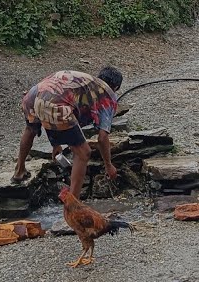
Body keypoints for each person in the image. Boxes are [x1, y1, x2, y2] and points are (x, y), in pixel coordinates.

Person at [13, 67, 123, 197]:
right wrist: (108, 165)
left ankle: (19, 170)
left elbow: (51, 104)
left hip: (33, 95)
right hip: (54, 104)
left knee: (30, 130)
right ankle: (72, 204)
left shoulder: (85, 82)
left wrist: (56, 144)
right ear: (115, 87)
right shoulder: (107, 94)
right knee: (84, 153)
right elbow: (102, 137)